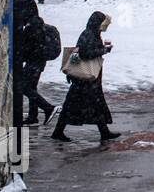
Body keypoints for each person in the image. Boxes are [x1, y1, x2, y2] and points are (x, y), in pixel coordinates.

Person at [51, 11, 120, 142]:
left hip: (87, 78)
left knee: (91, 104)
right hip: (84, 78)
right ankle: (58, 132)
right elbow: (85, 53)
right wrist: (104, 50)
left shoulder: (91, 33)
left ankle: (103, 131)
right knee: (84, 104)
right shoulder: (88, 34)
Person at [16, 0, 57, 126]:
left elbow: (29, 47)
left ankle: (48, 108)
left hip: (34, 62)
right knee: (31, 87)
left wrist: (20, 56)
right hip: (38, 62)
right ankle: (33, 117)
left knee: (23, 87)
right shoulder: (36, 22)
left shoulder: (32, 26)